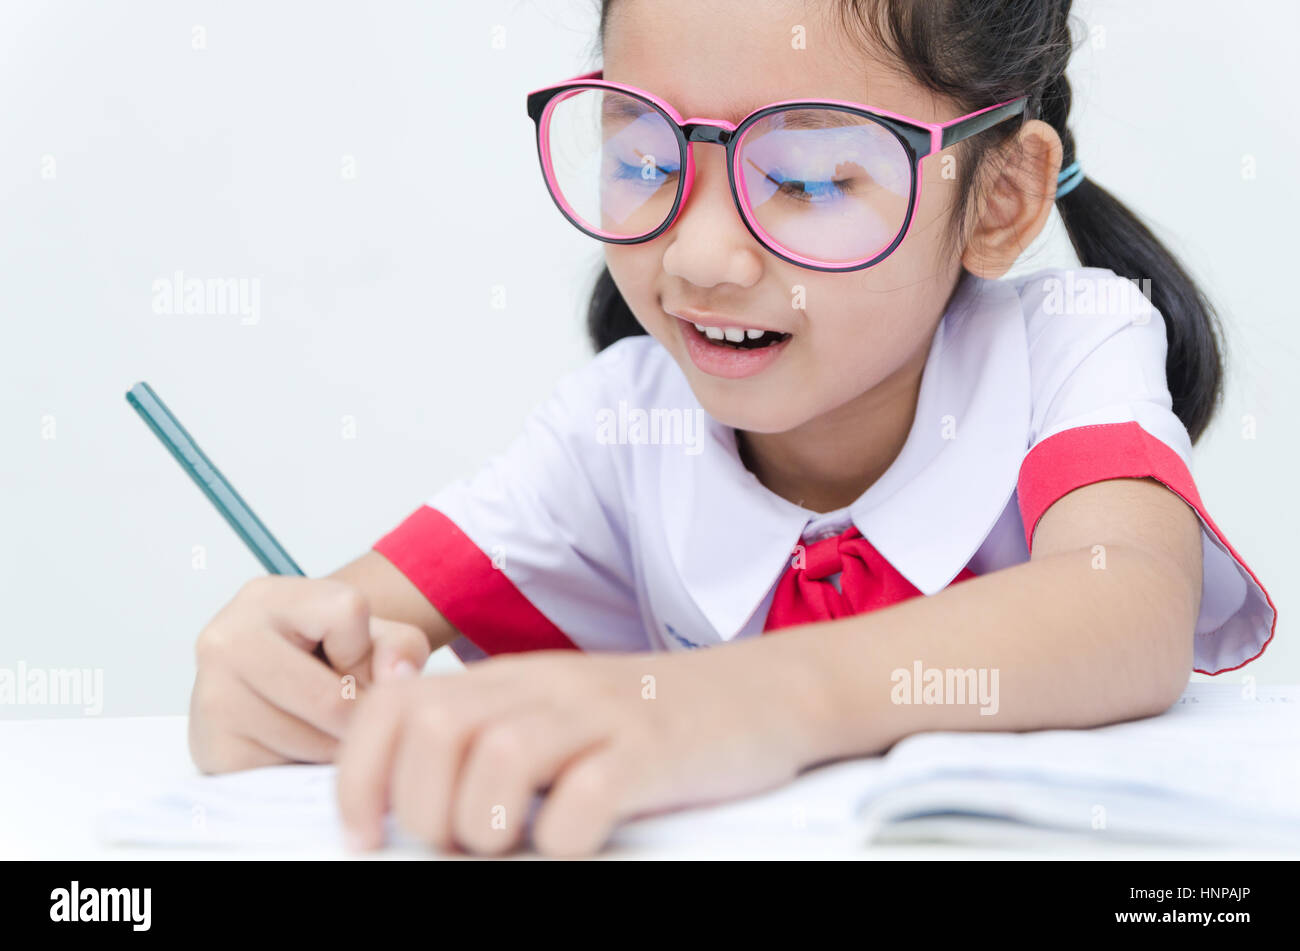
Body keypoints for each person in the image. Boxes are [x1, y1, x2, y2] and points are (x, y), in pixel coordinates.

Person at [187, 0, 1276, 858]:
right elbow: (347, 625)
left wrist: (733, 706)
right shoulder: (618, 431)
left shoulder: (1066, 346)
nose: (699, 258)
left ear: (997, 197)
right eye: (646, 163)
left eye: (803, 181)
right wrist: (284, 680)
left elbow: (1124, 606)